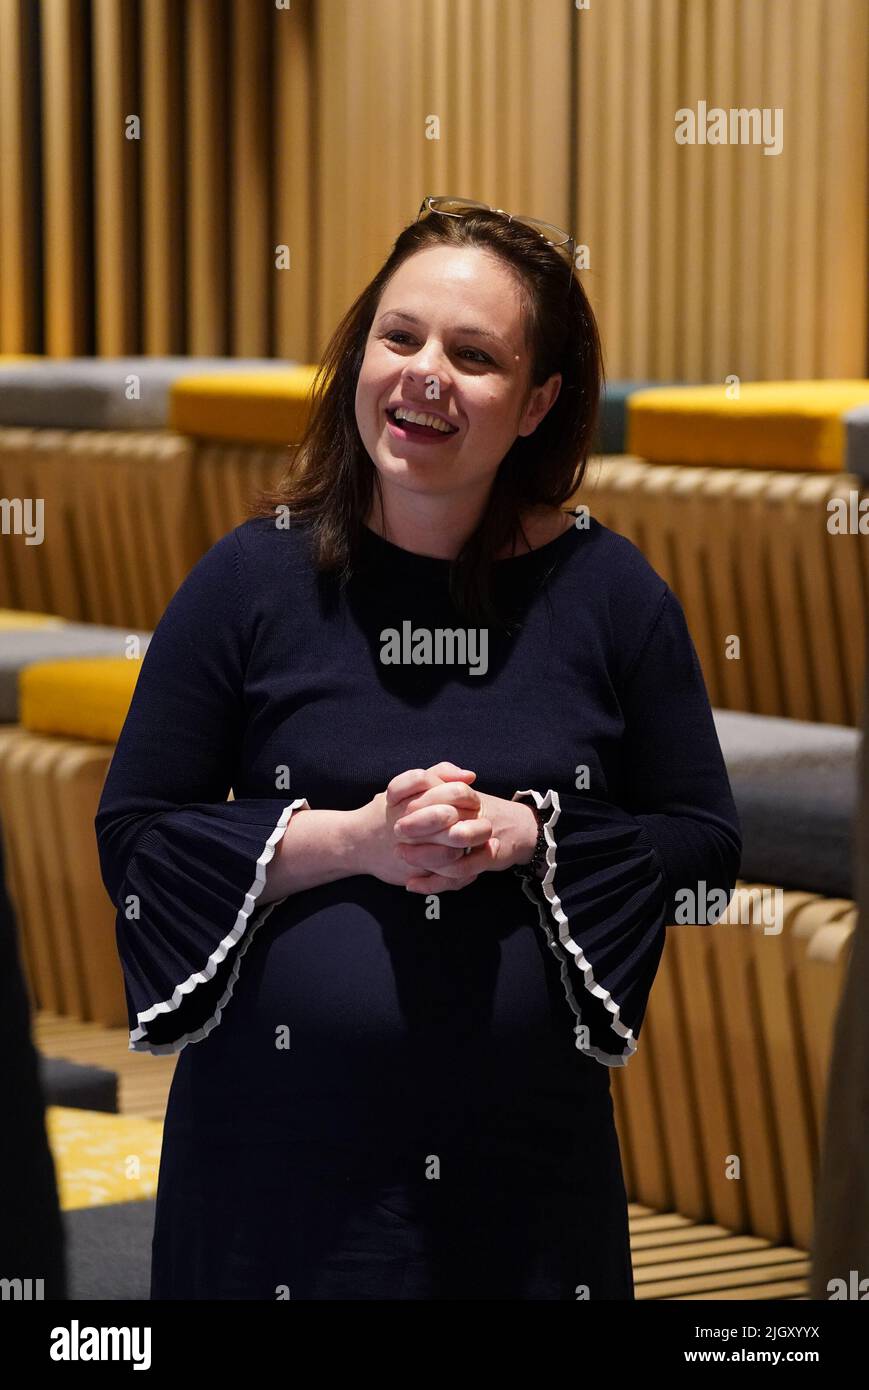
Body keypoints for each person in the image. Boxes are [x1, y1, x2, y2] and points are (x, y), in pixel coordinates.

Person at [94, 196, 741, 1300]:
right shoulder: (250, 579)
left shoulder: (610, 592)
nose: (424, 372)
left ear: (537, 402)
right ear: (361, 356)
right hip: (272, 1177)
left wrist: (528, 833)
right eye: (400, 338)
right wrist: (352, 840)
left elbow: (702, 853)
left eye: (473, 354)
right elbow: (137, 845)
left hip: (524, 1185)